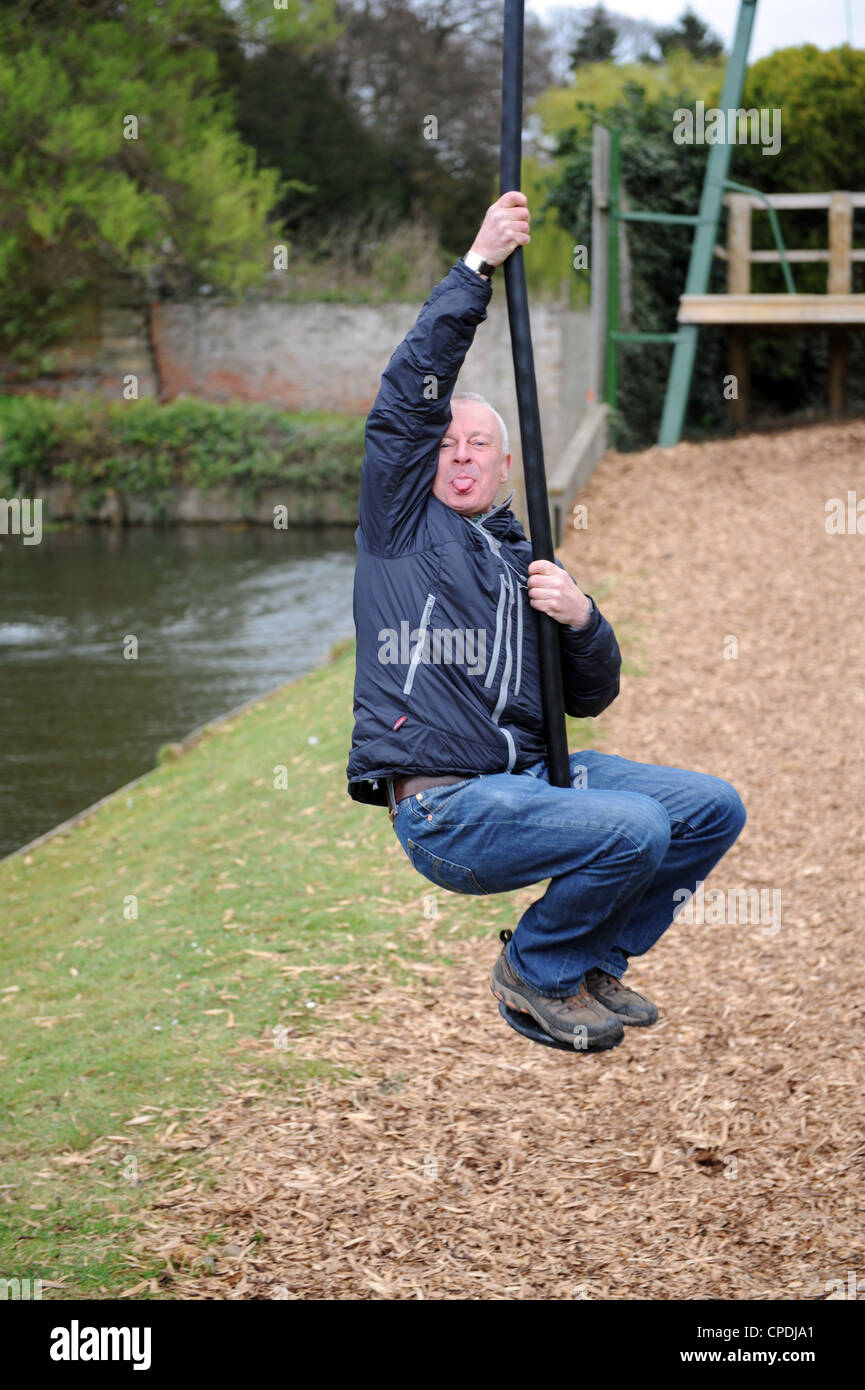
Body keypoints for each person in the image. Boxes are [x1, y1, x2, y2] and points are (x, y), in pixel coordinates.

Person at [346, 191, 746, 1051]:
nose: (458, 456)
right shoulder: (400, 526)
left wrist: (581, 617)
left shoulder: (522, 555)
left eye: (477, 445)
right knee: (633, 827)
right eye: (445, 444)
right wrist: (477, 265)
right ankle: (535, 968)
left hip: (530, 781)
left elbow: (590, 699)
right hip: (447, 808)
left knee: (711, 808)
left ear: (503, 463)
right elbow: (404, 400)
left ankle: (593, 957)